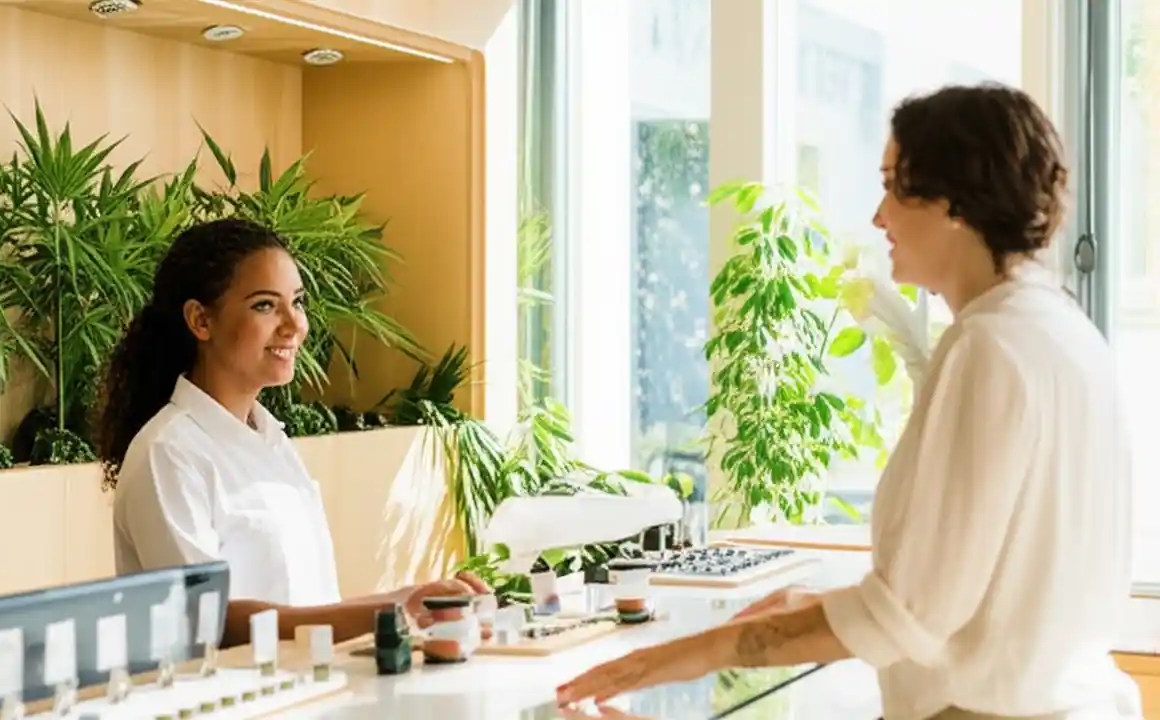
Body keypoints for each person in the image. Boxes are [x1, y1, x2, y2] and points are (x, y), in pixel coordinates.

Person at [556, 84, 1141, 719]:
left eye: (894, 185)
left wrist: (677, 658)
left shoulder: (990, 348)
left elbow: (909, 617)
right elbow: (989, 583)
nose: (878, 215)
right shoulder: (1061, 329)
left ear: (955, 202)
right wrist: (819, 610)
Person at [96, 217, 487, 648]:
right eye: (265, 305)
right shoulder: (167, 452)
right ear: (200, 320)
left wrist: (417, 599)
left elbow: (310, 604)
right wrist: (388, 611)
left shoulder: (271, 440)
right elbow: (210, 617)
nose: (294, 324)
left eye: (297, 302)